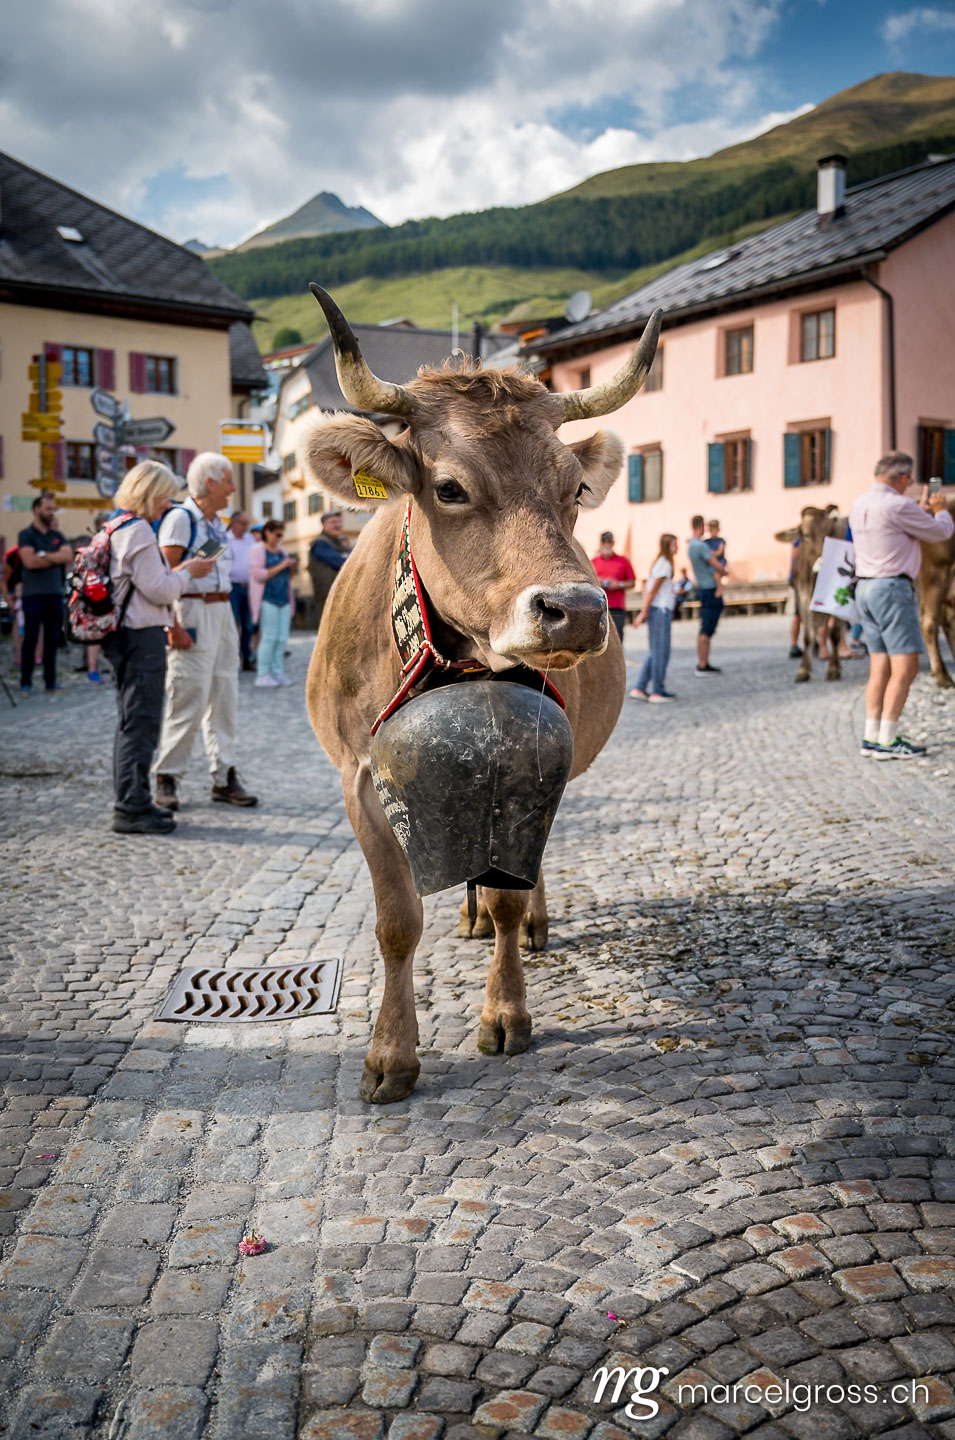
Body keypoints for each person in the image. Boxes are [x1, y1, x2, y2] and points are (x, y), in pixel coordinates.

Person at [103, 462, 217, 834]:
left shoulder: (116, 526)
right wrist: (188, 573)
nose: (168, 504)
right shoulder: (136, 530)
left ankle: (132, 802)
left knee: (131, 721)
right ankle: (132, 808)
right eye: (165, 494)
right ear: (150, 492)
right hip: (141, 635)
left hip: (125, 634)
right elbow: (160, 590)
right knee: (142, 722)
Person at [153, 453, 258, 811]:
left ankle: (224, 774)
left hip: (222, 609)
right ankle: (167, 775)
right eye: (228, 481)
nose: (232, 488)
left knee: (225, 694)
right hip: (193, 610)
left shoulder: (216, 523)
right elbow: (161, 577)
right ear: (210, 483)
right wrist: (172, 624)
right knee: (188, 695)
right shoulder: (180, 520)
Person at [850, 451, 953, 760]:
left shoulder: (861, 503)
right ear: (901, 477)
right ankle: (888, 739)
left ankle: (871, 737)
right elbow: (942, 532)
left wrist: (918, 511)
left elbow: (893, 527)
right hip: (891, 588)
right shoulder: (898, 505)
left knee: (879, 664)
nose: (909, 485)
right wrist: (940, 510)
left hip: (865, 588)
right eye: (908, 480)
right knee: (906, 666)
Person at [18, 492, 72, 693]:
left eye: (52, 509)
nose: (51, 513)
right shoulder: (26, 535)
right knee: (30, 638)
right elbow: (29, 562)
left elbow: (67, 556)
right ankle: (26, 681)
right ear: (36, 509)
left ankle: (51, 681)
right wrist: (53, 557)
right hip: (33, 594)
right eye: (47, 509)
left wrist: (43, 555)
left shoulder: (57, 536)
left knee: (52, 638)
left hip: (54, 593)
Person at [630, 534, 679, 702]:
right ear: (668, 546)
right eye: (674, 545)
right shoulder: (665, 565)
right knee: (661, 652)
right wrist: (643, 612)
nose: (677, 548)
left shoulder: (659, 563)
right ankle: (657, 690)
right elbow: (653, 591)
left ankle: (640, 687)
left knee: (655, 652)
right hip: (660, 612)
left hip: (658, 610)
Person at [250, 519, 298, 687]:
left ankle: (278, 672)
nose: (280, 538)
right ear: (267, 532)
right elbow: (258, 575)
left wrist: (291, 567)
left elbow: (286, 576)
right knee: (269, 637)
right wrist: (282, 565)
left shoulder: (281, 551)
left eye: (281, 534)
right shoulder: (257, 550)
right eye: (277, 534)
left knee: (282, 638)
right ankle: (263, 674)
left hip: (283, 599)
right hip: (267, 599)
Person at [687, 514, 726, 674]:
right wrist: (724, 571)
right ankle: (702, 664)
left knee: (704, 627)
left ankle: (704, 662)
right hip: (710, 588)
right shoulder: (700, 546)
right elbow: (714, 563)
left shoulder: (691, 545)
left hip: (703, 588)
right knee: (707, 628)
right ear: (701, 526)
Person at [308, 512, 351, 629]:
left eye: (339, 522)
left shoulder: (337, 543)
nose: (337, 525)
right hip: (328, 596)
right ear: (323, 525)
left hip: (339, 594)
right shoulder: (321, 543)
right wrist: (347, 557)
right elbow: (341, 562)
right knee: (331, 629)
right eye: (333, 522)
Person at [591, 531, 636, 640]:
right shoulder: (593, 562)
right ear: (601, 544)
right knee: (597, 638)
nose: (607, 544)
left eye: (609, 542)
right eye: (604, 542)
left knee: (617, 638)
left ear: (613, 543)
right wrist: (598, 582)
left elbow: (632, 582)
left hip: (617, 607)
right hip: (598, 607)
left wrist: (618, 584)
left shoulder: (623, 561)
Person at [226, 510, 256, 671]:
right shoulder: (225, 540)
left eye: (247, 524)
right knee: (232, 624)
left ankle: (247, 659)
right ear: (234, 523)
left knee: (248, 626)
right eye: (243, 524)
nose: (246, 527)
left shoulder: (250, 539)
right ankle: (231, 659)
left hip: (248, 586)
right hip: (232, 587)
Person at [2, 545, 24, 672]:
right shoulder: (14, 555)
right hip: (15, 594)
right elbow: (4, 580)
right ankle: (19, 655)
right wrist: (8, 598)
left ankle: (36, 655)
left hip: (29, 591)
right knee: (17, 624)